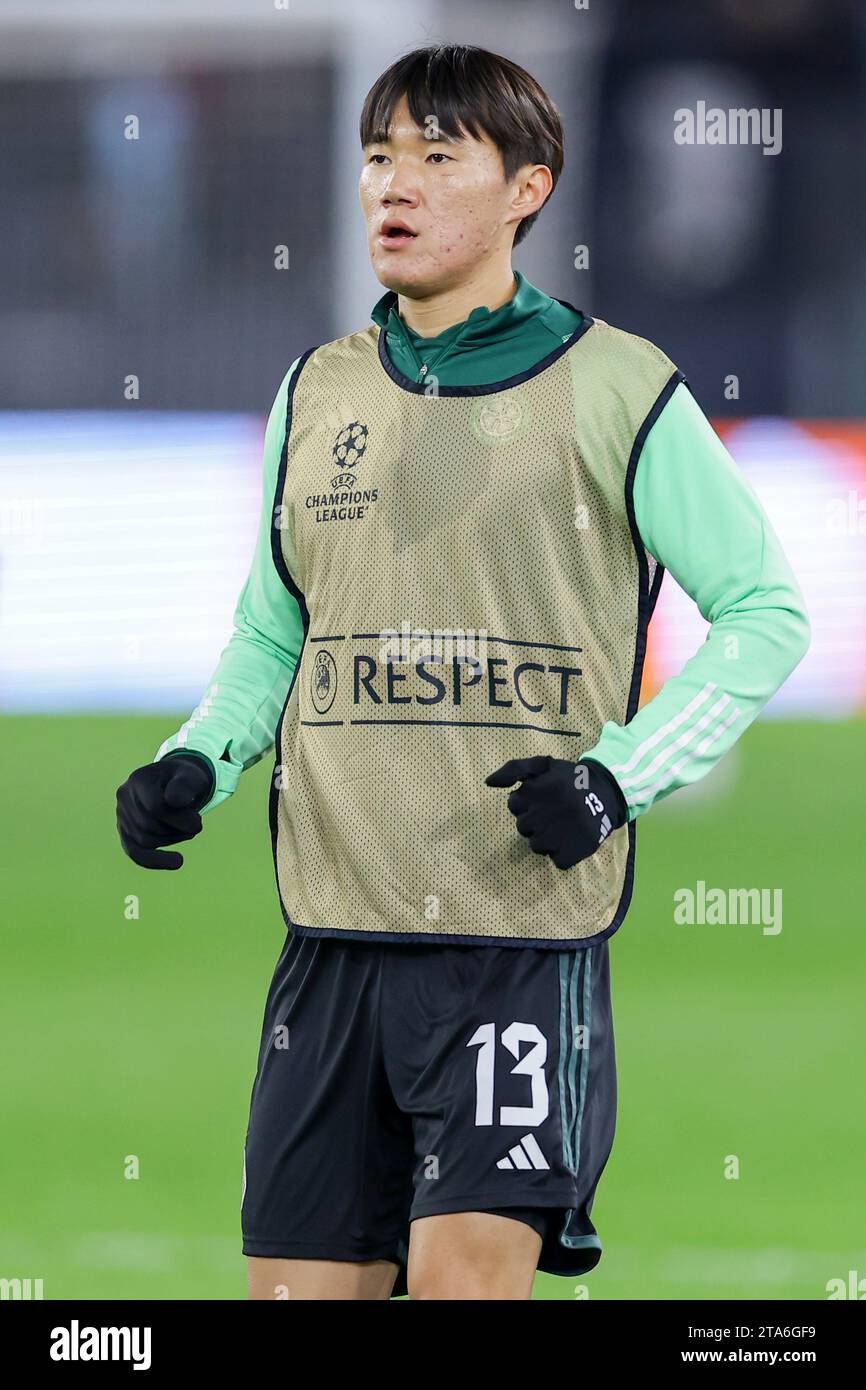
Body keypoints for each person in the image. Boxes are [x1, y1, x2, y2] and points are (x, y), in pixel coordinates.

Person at [116, 44, 810, 1301]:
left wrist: (613, 779)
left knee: (460, 1291)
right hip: (329, 940)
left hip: (512, 938)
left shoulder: (618, 385)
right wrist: (195, 763)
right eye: (380, 156)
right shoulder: (314, 389)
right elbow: (279, 632)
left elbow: (763, 613)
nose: (396, 184)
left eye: (439, 157)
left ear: (525, 189)